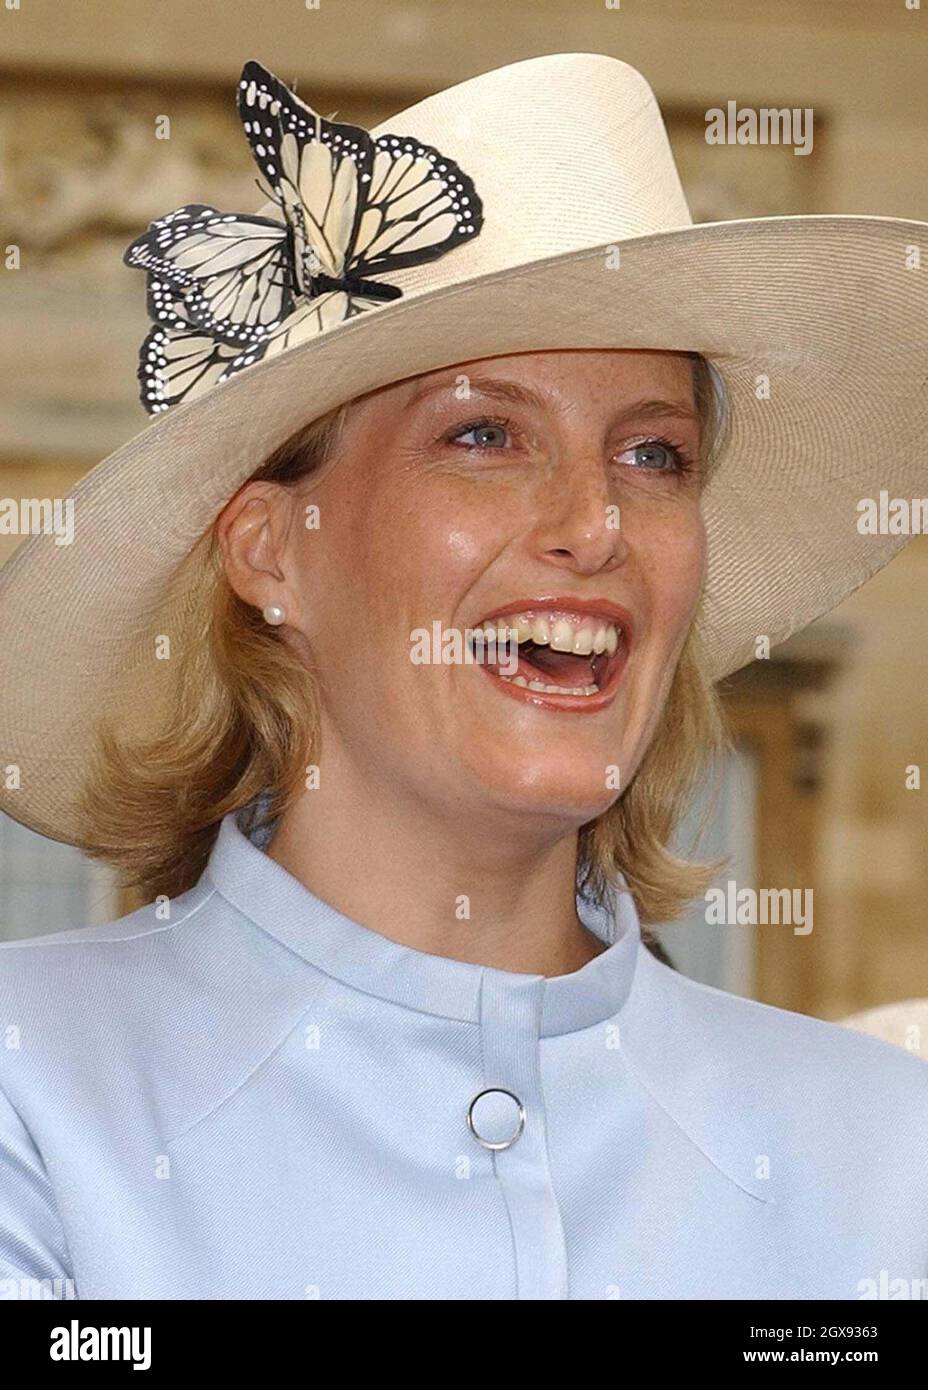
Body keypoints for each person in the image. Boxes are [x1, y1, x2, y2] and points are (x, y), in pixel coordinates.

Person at [0, 53, 925, 1301]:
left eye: (653, 452)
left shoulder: (881, 1144)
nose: (593, 521)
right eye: (483, 434)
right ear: (270, 550)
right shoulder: (39, 1094)